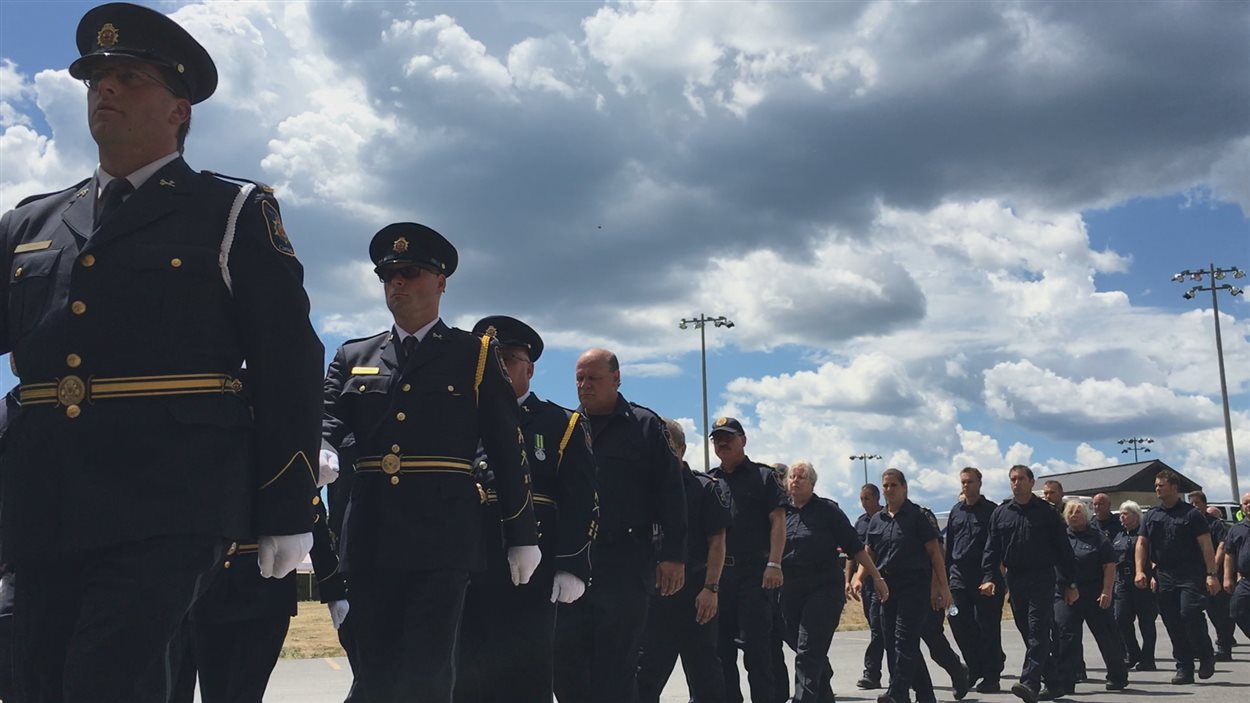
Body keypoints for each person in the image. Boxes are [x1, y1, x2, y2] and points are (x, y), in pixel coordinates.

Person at [0, 4, 323, 698]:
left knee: (106, 681)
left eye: (128, 76)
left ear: (179, 110)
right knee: (32, 681)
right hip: (41, 500)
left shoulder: (230, 212)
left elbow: (288, 363)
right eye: (95, 79)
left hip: (167, 501)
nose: (104, 89)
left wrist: (286, 505)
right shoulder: (32, 222)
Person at [321, 223, 540, 702]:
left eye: (411, 272)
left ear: (441, 282)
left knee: (427, 671)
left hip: (442, 538)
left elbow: (507, 449)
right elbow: (328, 420)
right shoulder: (353, 354)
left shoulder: (475, 355)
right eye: (389, 275)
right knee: (373, 670)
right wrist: (324, 448)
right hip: (371, 535)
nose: (397, 282)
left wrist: (521, 535)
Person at [455, 316, 598, 703]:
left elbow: (582, 500)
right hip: (467, 563)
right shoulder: (458, 419)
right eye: (490, 359)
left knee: (526, 675)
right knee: (464, 673)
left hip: (532, 570)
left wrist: (571, 565)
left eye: (507, 359)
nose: (497, 368)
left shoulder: (560, 424)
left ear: (529, 368)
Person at [554, 348, 687, 703]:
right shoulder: (564, 427)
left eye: (593, 378)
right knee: (567, 666)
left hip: (626, 565)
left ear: (616, 379)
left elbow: (671, 495)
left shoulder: (645, 427)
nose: (584, 386)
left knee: (616, 668)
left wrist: (673, 555)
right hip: (574, 562)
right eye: (580, 379)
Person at [636, 420, 731, 703]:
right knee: (643, 679)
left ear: (682, 449)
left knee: (706, 679)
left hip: (696, 596)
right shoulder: (643, 490)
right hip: (654, 598)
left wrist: (711, 589)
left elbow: (717, 543)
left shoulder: (705, 488)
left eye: (669, 448)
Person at [784, 461, 889, 702]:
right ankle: (823, 678)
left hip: (822, 589)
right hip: (790, 590)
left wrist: (876, 576)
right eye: (792, 476)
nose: (795, 481)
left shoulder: (828, 512)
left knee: (808, 651)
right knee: (798, 643)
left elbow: (856, 548)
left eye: (801, 477)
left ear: (812, 483)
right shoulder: (781, 513)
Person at [707, 417, 788, 703]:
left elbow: (778, 523)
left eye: (728, 436)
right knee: (721, 653)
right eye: (716, 438)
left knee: (757, 653)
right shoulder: (710, 480)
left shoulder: (765, 477)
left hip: (755, 576)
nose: (722, 442)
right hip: (720, 579)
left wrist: (774, 564)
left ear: (743, 439)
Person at [980, 465, 1076, 703]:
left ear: (1031, 482)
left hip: (1042, 577)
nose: (1016, 483)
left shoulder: (1046, 512)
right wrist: (989, 577)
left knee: (1037, 630)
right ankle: (1054, 682)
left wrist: (1070, 583)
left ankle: (1030, 682)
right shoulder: (1001, 513)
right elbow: (992, 549)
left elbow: (1063, 550)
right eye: (1012, 479)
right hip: (1015, 578)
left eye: (1021, 479)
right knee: (1027, 631)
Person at [862, 469, 953, 703]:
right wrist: (858, 577)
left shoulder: (918, 516)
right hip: (885, 586)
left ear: (904, 487)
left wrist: (942, 586)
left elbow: (934, 552)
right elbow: (868, 552)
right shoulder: (877, 520)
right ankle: (926, 694)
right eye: (885, 486)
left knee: (904, 640)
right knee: (892, 642)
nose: (889, 490)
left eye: (893, 485)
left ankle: (898, 693)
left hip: (914, 586)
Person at [1136, 469, 1220, 685]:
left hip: (1191, 573)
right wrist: (1140, 571)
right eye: (1156, 485)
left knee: (1190, 613)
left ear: (1174, 487)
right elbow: (1142, 543)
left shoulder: (1192, 515)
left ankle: (1205, 654)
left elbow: (1206, 544)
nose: (1157, 488)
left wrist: (1211, 574)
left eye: (1161, 485)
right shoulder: (1152, 515)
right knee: (1172, 620)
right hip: (1164, 573)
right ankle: (1184, 666)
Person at [1048, 501, 1128, 696]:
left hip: (1094, 592)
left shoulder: (1098, 538)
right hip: (1065, 593)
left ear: (1086, 515)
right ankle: (1066, 680)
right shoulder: (1059, 538)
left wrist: (1107, 591)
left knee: (1106, 635)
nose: (1074, 515)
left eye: (1078, 512)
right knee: (1065, 634)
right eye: (1071, 512)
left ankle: (1117, 675)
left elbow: (1109, 566)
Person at [944, 467, 1005, 693]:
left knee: (986, 627)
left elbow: (998, 546)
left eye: (969, 482)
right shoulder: (956, 511)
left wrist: (995, 576)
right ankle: (974, 667)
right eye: (963, 482)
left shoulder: (992, 511)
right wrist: (945, 579)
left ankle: (991, 675)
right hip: (958, 577)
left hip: (985, 577)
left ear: (979, 483)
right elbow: (949, 546)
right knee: (958, 622)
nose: (965, 486)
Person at [1189, 490, 1235, 660]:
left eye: (1197, 503)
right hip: (1195, 575)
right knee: (1195, 612)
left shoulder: (1214, 524)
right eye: (1191, 504)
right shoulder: (1189, 523)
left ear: (1204, 505)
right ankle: (1196, 648)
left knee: (1219, 613)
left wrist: (1213, 569)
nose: (1194, 507)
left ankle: (1224, 648)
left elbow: (1222, 546)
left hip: (1214, 574)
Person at [1110, 500, 1156, 671]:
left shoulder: (1144, 535)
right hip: (1122, 581)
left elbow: (1153, 557)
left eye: (1125, 513)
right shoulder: (1119, 536)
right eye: (1120, 513)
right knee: (1120, 618)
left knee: (1146, 622)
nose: (1121, 517)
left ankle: (1148, 658)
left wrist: (1153, 576)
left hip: (1141, 581)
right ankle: (1133, 653)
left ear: (1135, 516)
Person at [851, 483, 887, 690]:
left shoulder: (884, 518)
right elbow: (852, 553)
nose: (864, 503)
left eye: (867, 498)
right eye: (861, 499)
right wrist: (851, 578)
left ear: (876, 498)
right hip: (864, 583)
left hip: (882, 581)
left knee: (878, 629)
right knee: (877, 628)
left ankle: (871, 673)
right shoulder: (860, 523)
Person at [1223, 492, 1250, 639]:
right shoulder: (1236, 529)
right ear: (1241, 507)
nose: (1249, 505)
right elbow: (1229, 554)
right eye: (1246, 503)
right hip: (1246, 580)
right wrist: (1227, 578)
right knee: (1237, 610)